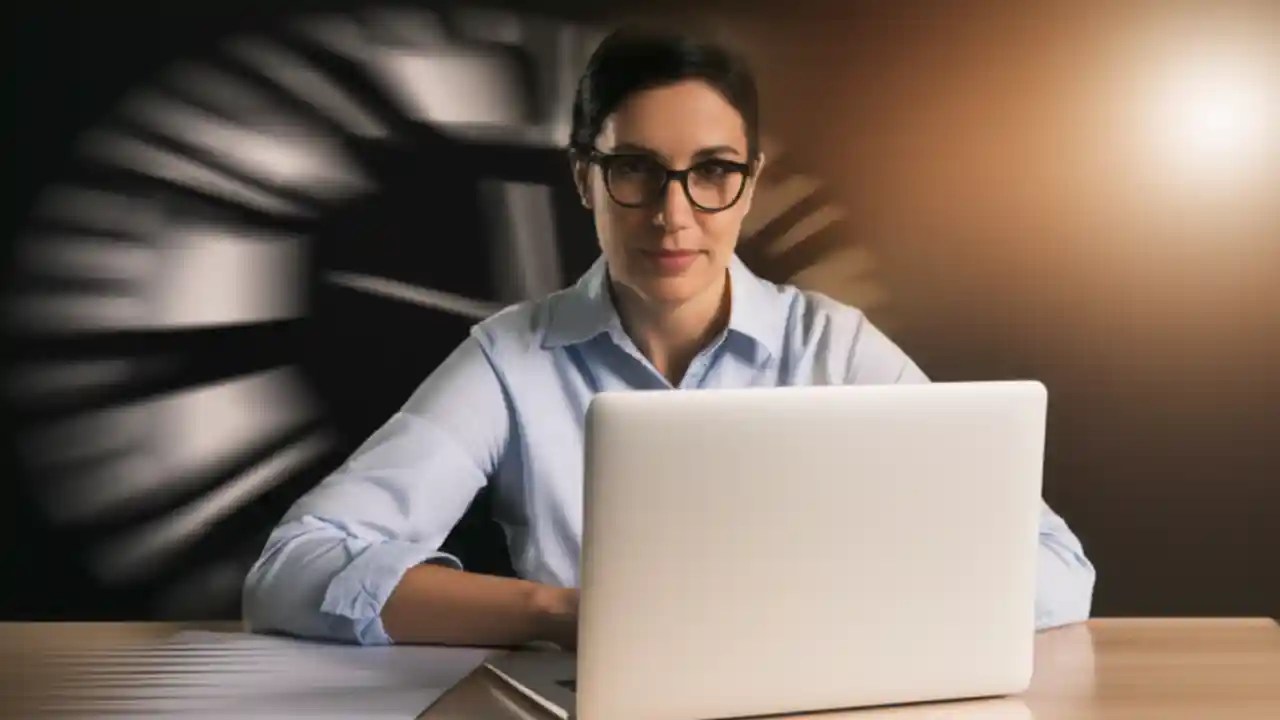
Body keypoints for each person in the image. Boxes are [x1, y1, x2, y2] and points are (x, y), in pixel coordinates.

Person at [242, 27, 1095, 648]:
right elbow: (291, 573)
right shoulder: (512, 357)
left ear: (750, 184)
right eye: (635, 170)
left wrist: (840, 613)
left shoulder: (835, 348)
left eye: (713, 172)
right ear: (587, 178)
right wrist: (567, 613)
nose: (673, 214)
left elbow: (1057, 568)